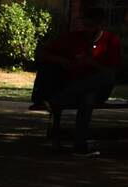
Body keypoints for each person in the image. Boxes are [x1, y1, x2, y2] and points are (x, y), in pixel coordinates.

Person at [31, 7, 122, 157]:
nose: (87, 29)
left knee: (105, 78)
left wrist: (91, 63)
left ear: (101, 25)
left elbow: (113, 71)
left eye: (91, 26)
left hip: (99, 88)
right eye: (85, 25)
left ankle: (55, 101)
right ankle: (80, 146)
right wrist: (63, 61)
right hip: (74, 87)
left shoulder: (111, 41)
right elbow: (42, 52)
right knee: (87, 99)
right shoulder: (74, 38)